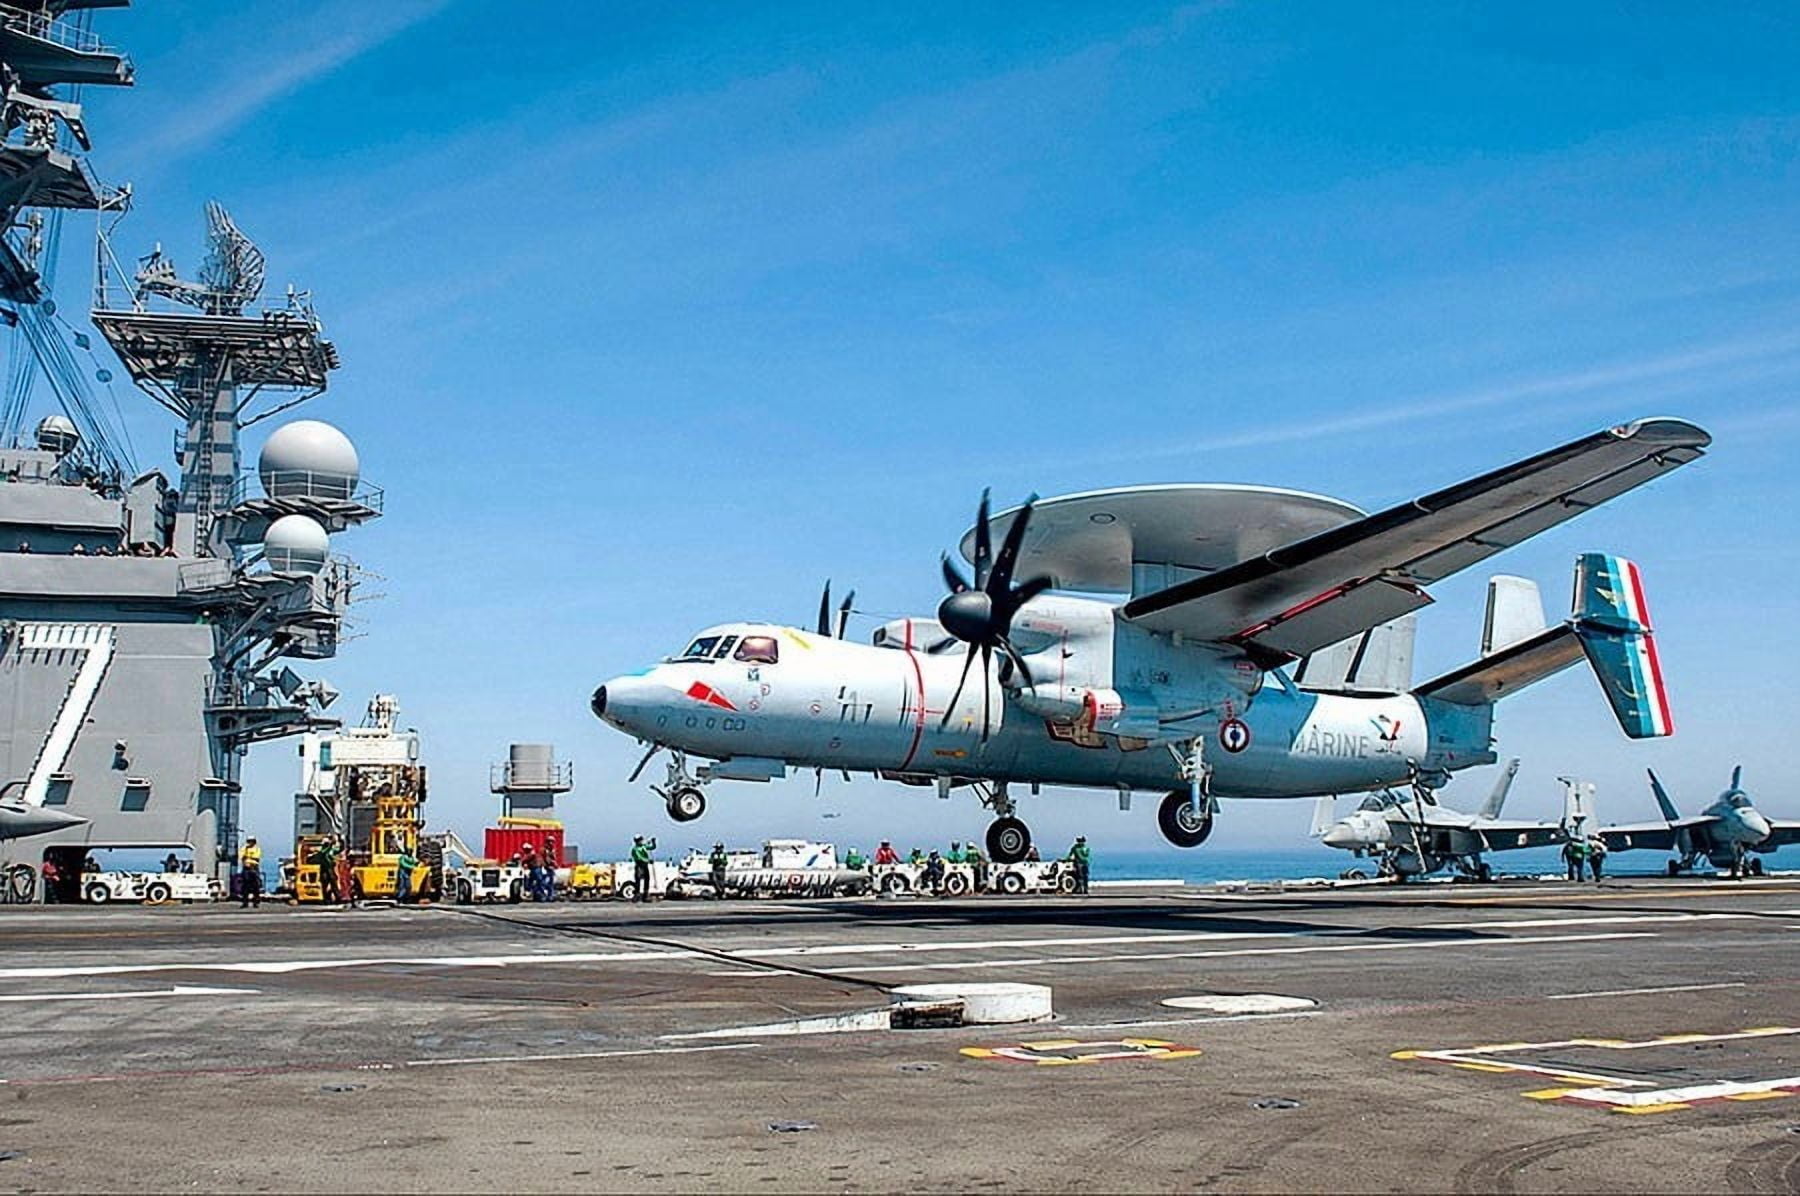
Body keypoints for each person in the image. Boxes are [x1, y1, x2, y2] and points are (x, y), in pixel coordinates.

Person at [310, 837, 341, 904]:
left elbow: (338, 850)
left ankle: (337, 898)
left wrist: (340, 841)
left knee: (333, 885)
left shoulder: (331, 850)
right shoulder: (323, 851)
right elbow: (324, 852)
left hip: (329, 869)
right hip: (325, 870)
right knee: (325, 885)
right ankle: (326, 899)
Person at [238, 837, 263, 908]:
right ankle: (245, 902)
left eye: (251, 841)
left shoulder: (257, 849)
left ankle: (256, 902)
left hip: (254, 867)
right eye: (249, 841)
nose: (250, 843)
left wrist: (247, 857)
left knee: (255, 886)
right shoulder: (244, 848)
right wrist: (248, 858)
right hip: (246, 868)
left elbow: (256, 857)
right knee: (245, 886)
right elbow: (241, 856)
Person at [630, 835, 656, 902]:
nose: (641, 841)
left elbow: (652, 847)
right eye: (640, 840)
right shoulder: (635, 849)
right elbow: (639, 858)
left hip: (645, 866)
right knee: (638, 881)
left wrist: (653, 842)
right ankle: (637, 896)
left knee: (647, 880)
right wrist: (648, 861)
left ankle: (645, 895)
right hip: (639, 866)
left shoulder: (644, 846)